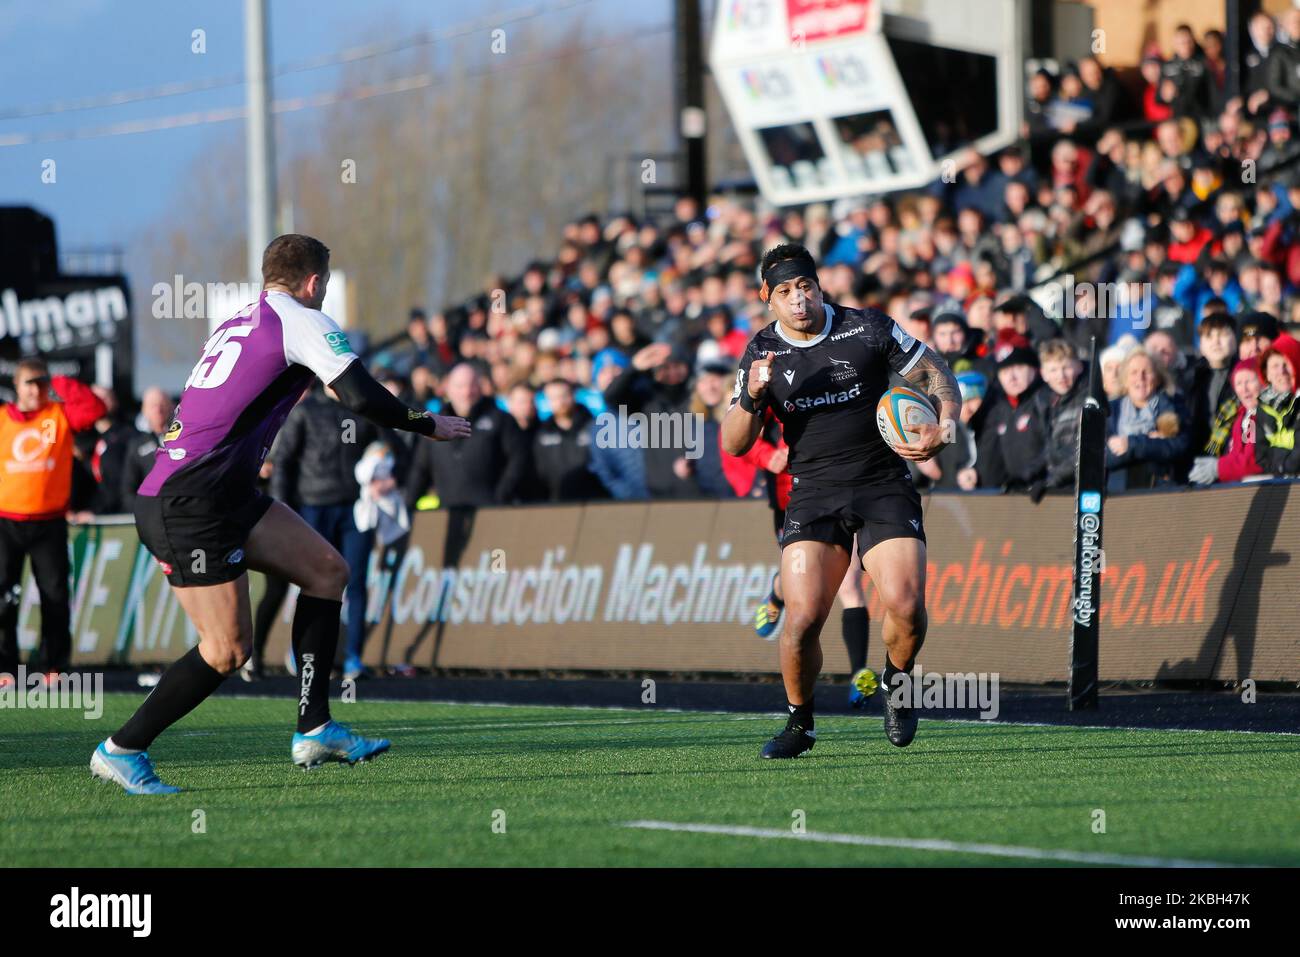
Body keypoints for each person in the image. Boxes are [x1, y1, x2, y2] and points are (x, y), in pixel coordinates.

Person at [90, 234, 471, 795]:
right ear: (315, 282)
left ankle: (314, 727)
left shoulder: (243, 318)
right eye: (326, 285)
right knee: (226, 651)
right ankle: (122, 748)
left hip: (217, 491)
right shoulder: (301, 319)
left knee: (327, 571)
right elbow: (360, 396)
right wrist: (424, 421)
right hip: (193, 499)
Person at [721, 243, 959, 756]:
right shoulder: (762, 353)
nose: (798, 299)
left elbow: (937, 373)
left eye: (805, 286)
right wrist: (750, 398)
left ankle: (897, 685)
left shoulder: (867, 328)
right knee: (802, 618)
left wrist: (947, 424)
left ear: (819, 285)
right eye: (785, 291)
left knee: (907, 607)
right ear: (767, 298)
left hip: (882, 483)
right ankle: (800, 723)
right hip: (814, 493)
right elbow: (734, 443)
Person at [0, 359, 107, 683]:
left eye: (40, 383)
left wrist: (60, 381)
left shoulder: (58, 415)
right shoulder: (3, 419)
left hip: (49, 523)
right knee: (3, 596)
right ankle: (5, 667)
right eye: (29, 383)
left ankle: (53, 666)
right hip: (6, 522)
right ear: (17, 387)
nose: (36, 390)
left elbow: (95, 408)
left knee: (55, 595)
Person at [1105, 350, 1189, 490]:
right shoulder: (1109, 411)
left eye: (1147, 372)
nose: (1140, 377)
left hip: (1158, 492)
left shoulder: (1173, 407)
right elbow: (1101, 457)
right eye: (1134, 372)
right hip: (1117, 493)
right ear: (1125, 380)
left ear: (1157, 378)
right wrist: (1152, 443)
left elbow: (1179, 447)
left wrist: (1130, 444)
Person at [1190, 359, 1265, 485]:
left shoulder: (1264, 416)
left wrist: (1218, 468)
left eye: (1250, 381)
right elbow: (1235, 455)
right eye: (1239, 383)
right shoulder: (1240, 417)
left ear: (1263, 382)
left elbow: (1253, 460)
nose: (1244, 388)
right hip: (1240, 488)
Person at [1255, 345, 1300, 476]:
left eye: (1287, 364)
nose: (1282, 371)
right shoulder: (1262, 408)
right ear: (1267, 375)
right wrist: (1281, 467)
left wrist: (1282, 465)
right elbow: (1261, 457)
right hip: (1277, 484)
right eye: (1275, 366)